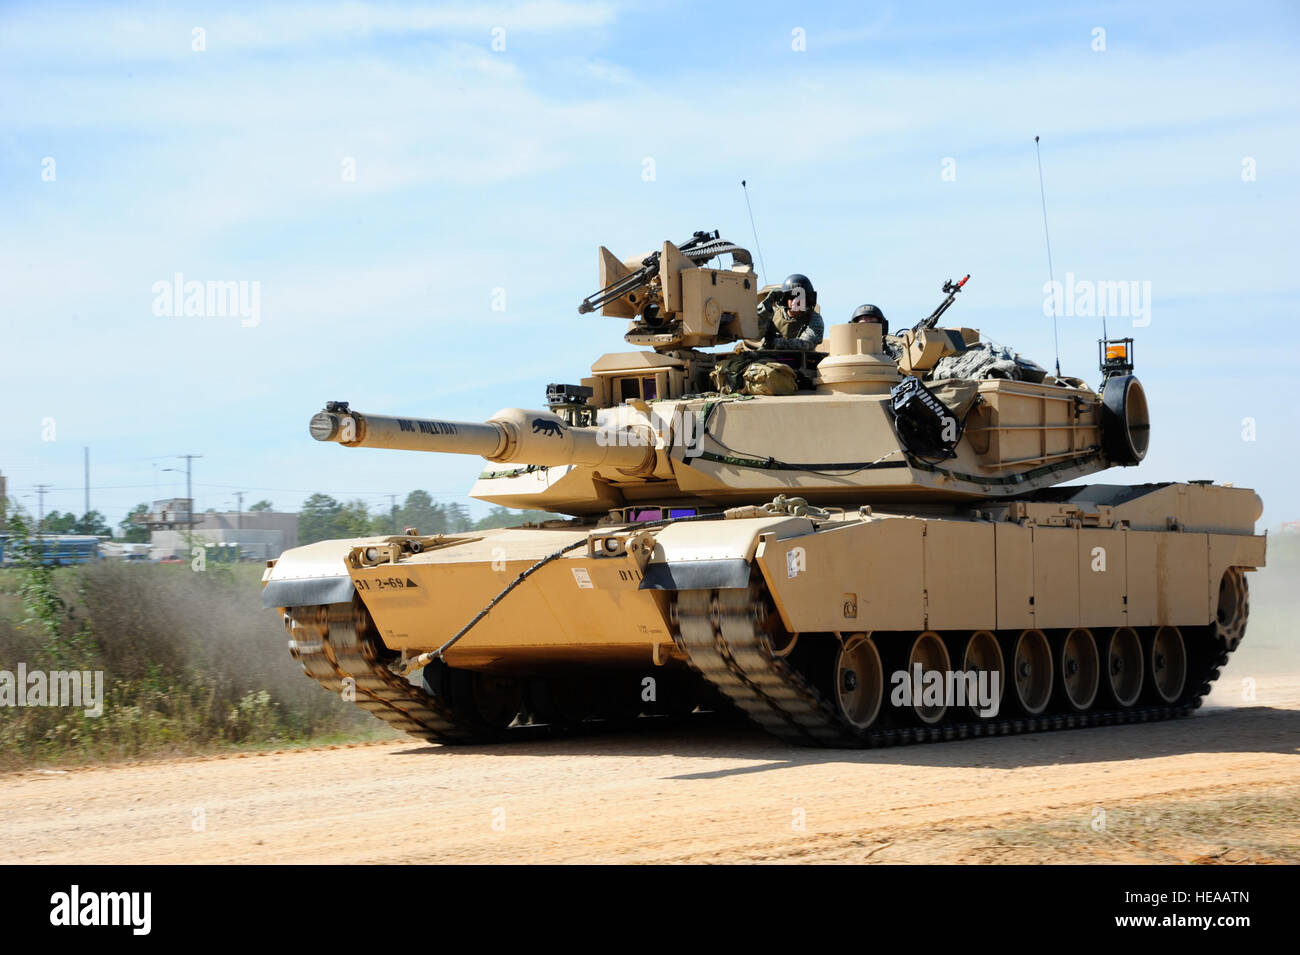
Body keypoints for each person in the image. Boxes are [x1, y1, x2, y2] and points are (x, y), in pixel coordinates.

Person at [756, 273, 824, 350]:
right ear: (785, 299)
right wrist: (767, 304)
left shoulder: (814, 318)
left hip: (797, 360)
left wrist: (775, 343)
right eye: (792, 296)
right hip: (768, 357)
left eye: (800, 296)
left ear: (807, 299)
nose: (796, 300)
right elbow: (755, 334)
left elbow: (806, 344)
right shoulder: (772, 313)